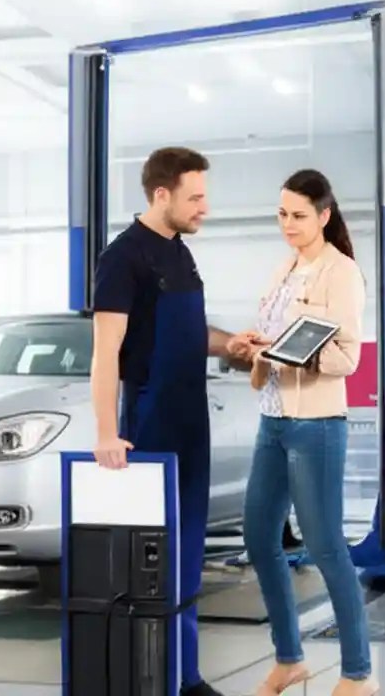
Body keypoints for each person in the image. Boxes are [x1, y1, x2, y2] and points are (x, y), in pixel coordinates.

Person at [89, 145, 255, 696]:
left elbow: (189, 332)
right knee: (152, 558)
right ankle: (150, 676)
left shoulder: (180, 251)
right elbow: (105, 352)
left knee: (187, 553)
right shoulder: (124, 257)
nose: (205, 207)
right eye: (196, 197)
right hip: (151, 419)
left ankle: (185, 675)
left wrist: (228, 342)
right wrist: (107, 433)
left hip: (192, 418)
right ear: (162, 194)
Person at [228, 169, 377, 696]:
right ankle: (289, 660)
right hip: (274, 419)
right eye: (282, 214)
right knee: (258, 537)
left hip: (316, 425)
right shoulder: (286, 266)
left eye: (298, 215)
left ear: (324, 216)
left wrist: (283, 350)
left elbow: (346, 358)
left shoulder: (341, 273)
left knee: (326, 545)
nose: (288, 224)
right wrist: (254, 345)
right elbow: (274, 335)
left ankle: (358, 674)